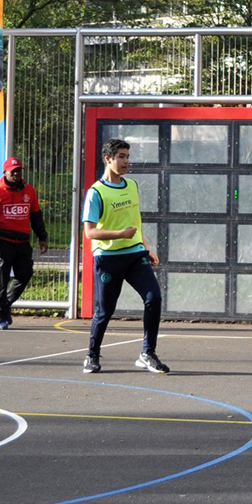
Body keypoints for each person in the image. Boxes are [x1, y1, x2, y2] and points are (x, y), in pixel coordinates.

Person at [81, 137, 169, 374]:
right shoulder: (96, 192)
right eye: (121, 156)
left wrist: (145, 247)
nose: (126, 161)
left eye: (128, 156)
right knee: (104, 311)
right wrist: (120, 234)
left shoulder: (132, 186)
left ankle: (147, 353)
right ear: (108, 159)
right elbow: (89, 232)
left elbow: (135, 222)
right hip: (108, 258)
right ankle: (92, 355)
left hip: (134, 255)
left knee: (154, 297)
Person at [0, 157, 49, 330]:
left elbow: (36, 216)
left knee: (25, 274)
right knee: (1, 280)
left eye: (19, 171)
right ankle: (1, 317)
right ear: (5, 173)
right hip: (3, 242)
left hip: (22, 242)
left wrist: (42, 237)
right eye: (13, 172)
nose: (16, 174)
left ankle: (5, 305)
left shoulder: (29, 191)